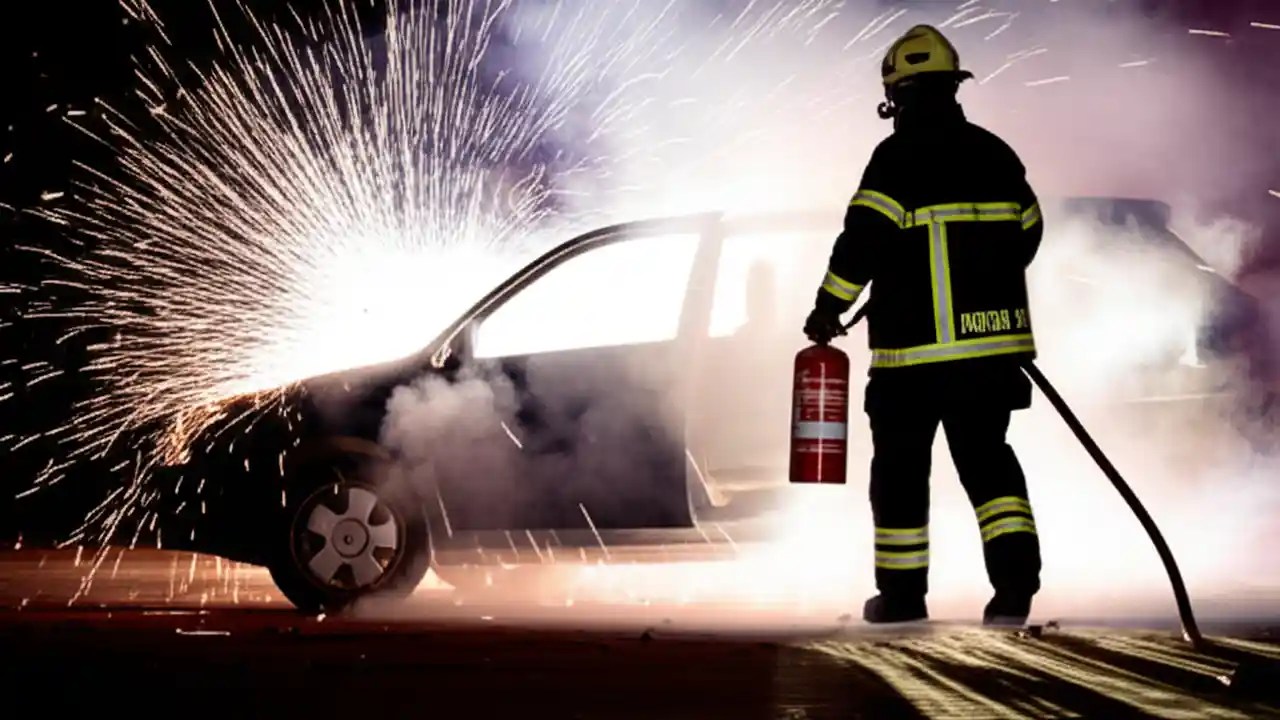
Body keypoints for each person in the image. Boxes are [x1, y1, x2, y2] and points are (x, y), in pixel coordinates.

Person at [803, 24, 1045, 626]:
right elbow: (1029, 231)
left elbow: (860, 244)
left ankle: (904, 597)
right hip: (991, 353)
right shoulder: (995, 152)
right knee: (991, 468)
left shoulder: (896, 156)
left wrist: (828, 309)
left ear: (898, 96)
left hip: (916, 358)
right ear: (952, 86)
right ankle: (1015, 588)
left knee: (902, 477)